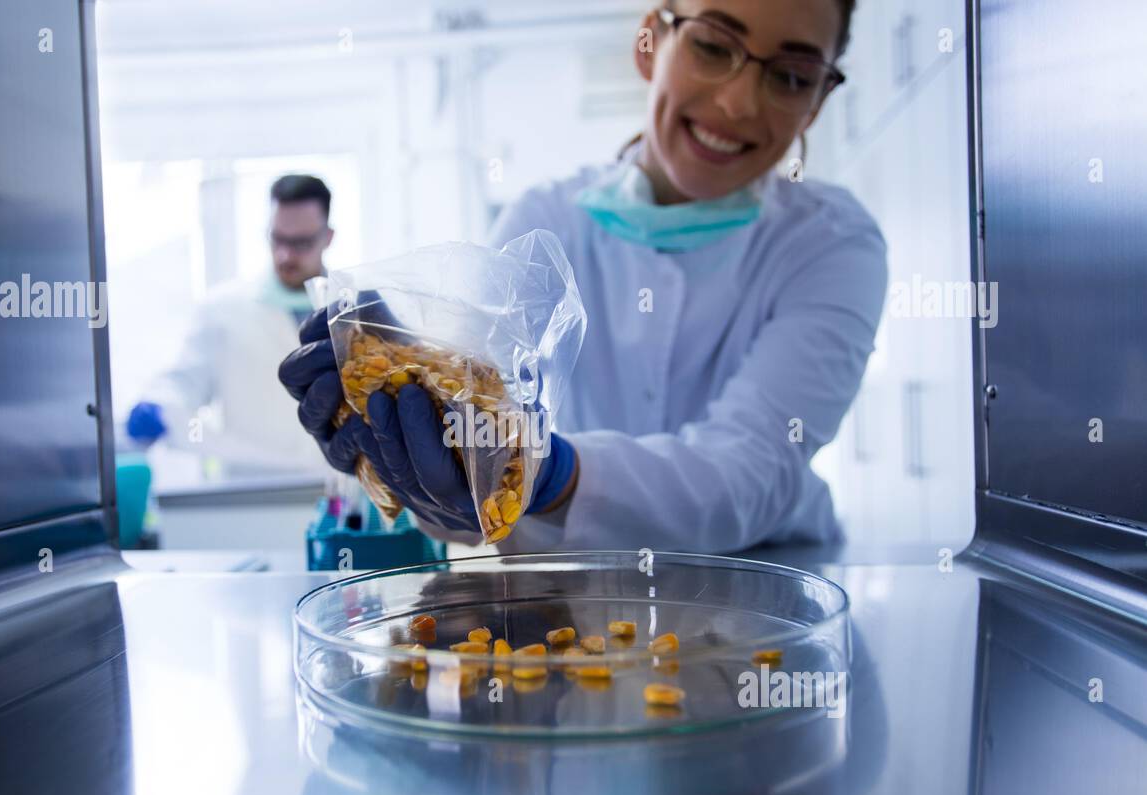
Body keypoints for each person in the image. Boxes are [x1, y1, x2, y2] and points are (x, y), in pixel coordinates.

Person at [281, 0, 886, 552]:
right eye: (712, 45)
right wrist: (412, 455)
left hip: (774, 594)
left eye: (790, 76)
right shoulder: (543, 223)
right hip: (575, 598)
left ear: (819, 99)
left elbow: (754, 466)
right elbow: (471, 482)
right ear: (650, 42)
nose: (738, 103)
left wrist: (556, 474)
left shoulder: (831, 243)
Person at [127, 174, 335, 473]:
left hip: (335, 489)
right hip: (248, 495)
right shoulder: (223, 309)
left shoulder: (353, 310)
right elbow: (185, 381)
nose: (285, 254)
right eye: (277, 239)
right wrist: (158, 404)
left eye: (301, 243)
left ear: (327, 237)